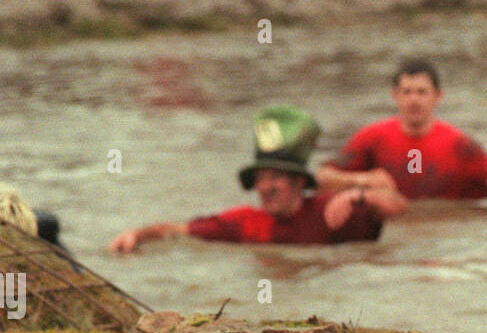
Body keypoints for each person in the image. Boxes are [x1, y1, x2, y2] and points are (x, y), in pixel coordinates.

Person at [109, 106, 406, 253]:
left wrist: (358, 195)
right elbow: (178, 230)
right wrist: (136, 235)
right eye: (259, 179)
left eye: (275, 178)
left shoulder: (331, 212)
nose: (264, 187)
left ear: (299, 182)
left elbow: (399, 206)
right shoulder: (246, 223)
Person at [316, 58, 487, 202]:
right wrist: (363, 180)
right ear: (395, 95)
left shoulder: (458, 144)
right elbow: (321, 178)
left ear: (437, 96)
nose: (414, 100)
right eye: (407, 92)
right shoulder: (372, 138)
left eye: (421, 92)